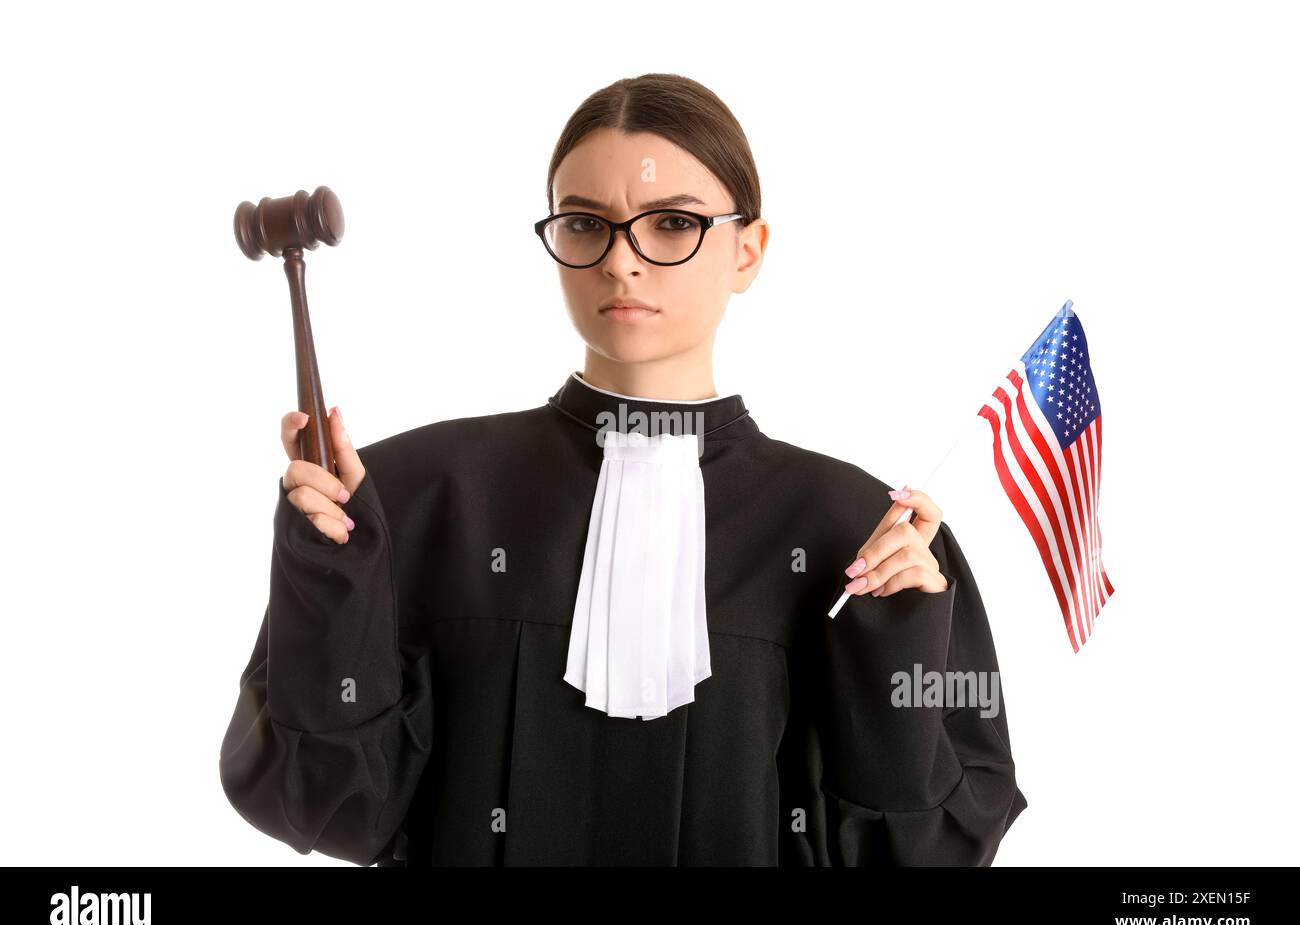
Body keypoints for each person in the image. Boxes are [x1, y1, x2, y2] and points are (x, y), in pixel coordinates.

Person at [218, 72, 1027, 866]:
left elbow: (926, 853)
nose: (622, 262)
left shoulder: (860, 531)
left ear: (749, 251)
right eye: (585, 223)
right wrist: (330, 585)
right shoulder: (413, 494)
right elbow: (329, 807)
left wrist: (901, 645)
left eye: (672, 223)